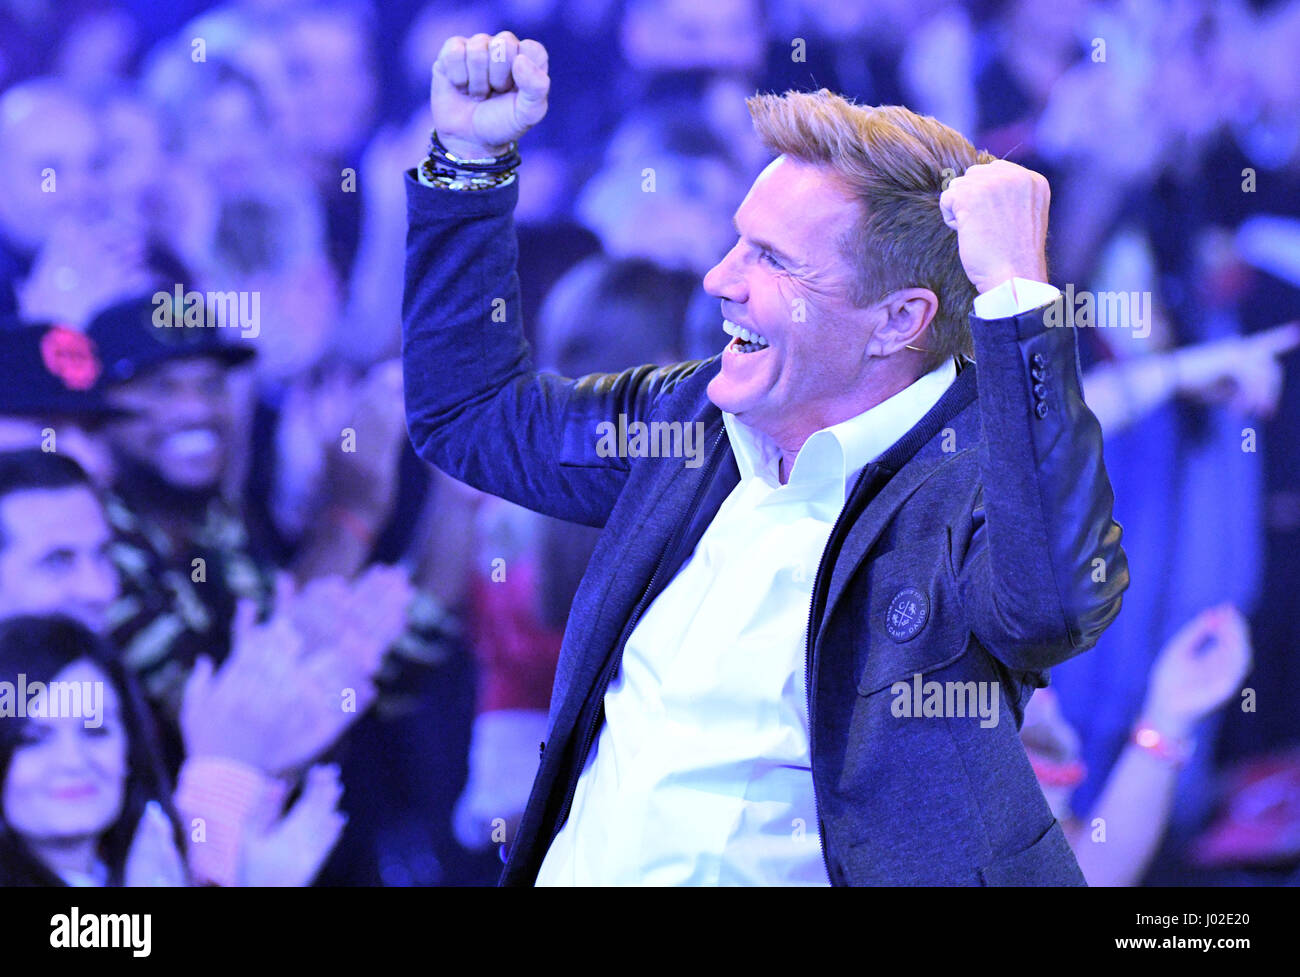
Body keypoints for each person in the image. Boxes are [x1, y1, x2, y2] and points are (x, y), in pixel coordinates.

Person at [403, 31, 1128, 885]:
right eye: (738, 240)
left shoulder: (971, 482)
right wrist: (469, 162)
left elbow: (1053, 604)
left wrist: (1016, 294)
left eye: (772, 261)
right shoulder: (688, 424)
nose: (718, 278)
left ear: (898, 319)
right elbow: (471, 416)